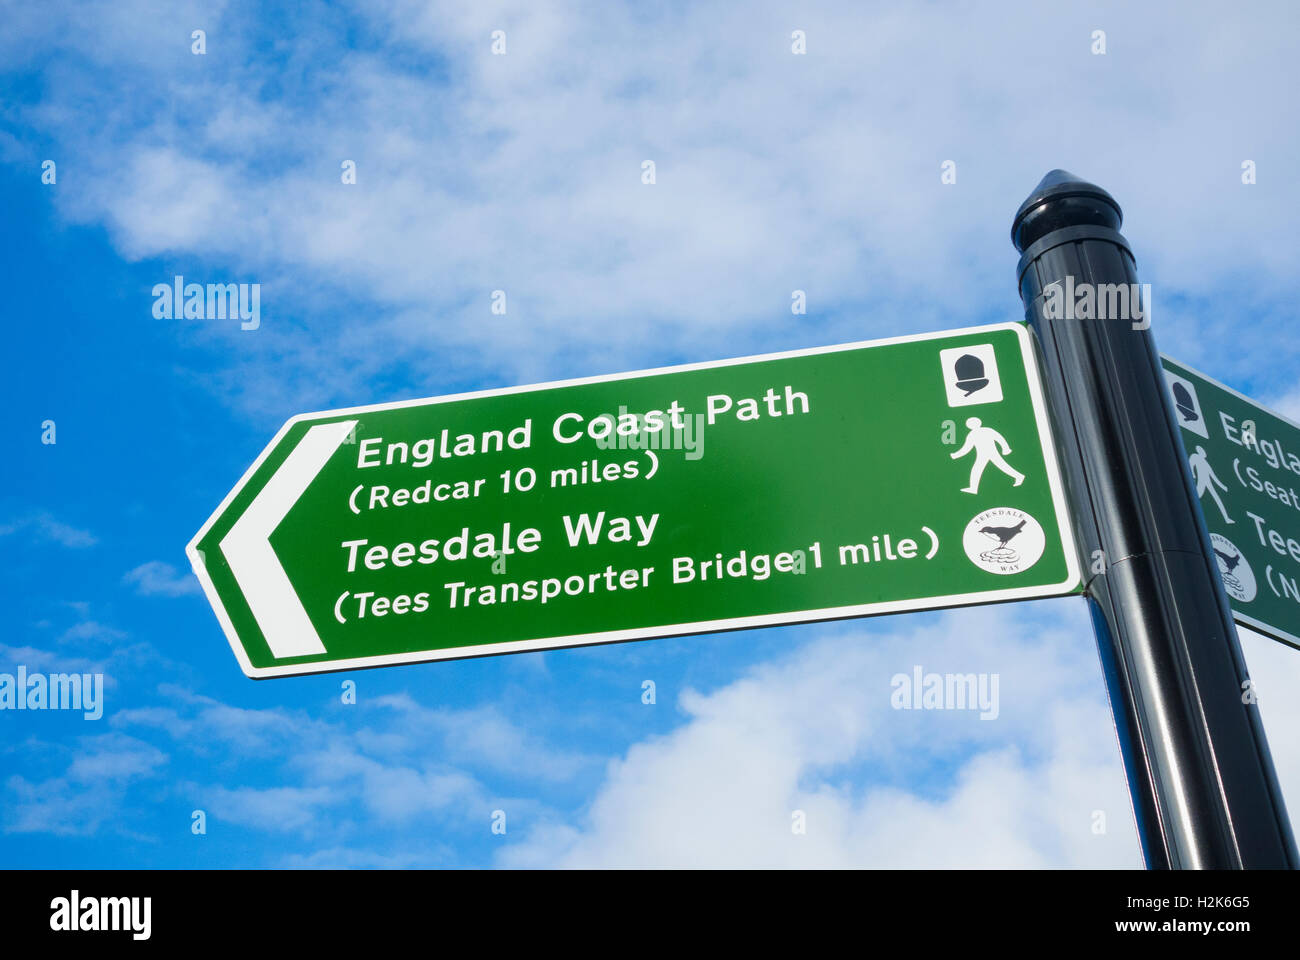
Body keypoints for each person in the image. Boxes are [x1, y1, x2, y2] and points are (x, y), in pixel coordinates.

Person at [951, 417, 1024, 494]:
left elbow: (999, 438)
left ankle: (1019, 476)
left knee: (984, 468)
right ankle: (973, 488)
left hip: (990, 453)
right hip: (984, 454)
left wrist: (1006, 448)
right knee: (980, 469)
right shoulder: (977, 433)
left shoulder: (976, 433)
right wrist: (1005, 448)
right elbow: (967, 448)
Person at [1187, 445, 1233, 523]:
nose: (1204, 453)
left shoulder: (1205, 462)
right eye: (1202, 451)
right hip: (1201, 482)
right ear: (1199, 451)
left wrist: (1222, 486)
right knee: (1193, 497)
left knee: (1217, 498)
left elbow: (1213, 476)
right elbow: (1191, 465)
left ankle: (1226, 518)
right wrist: (1193, 475)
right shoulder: (1195, 456)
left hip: (1208, 483)